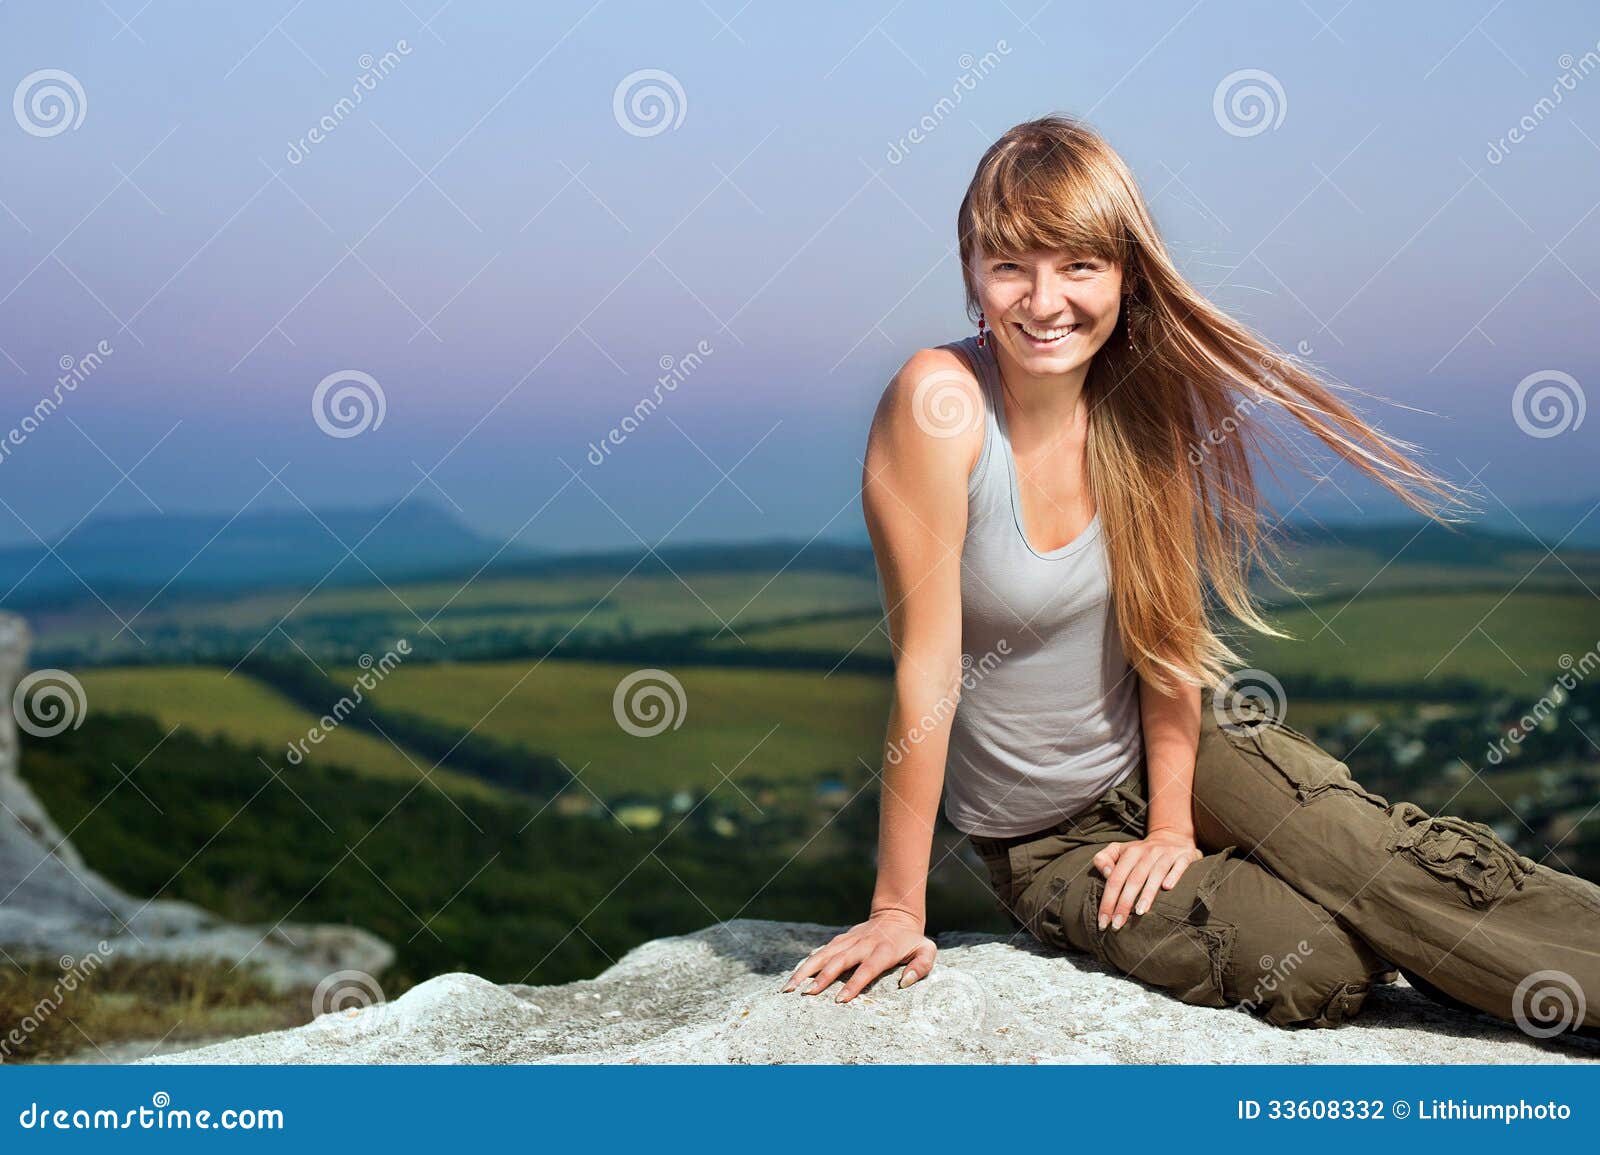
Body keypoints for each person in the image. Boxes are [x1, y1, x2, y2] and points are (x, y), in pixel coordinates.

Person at [781, 114, 1600, 1036]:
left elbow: (1164, 643)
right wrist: (898, 907)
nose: (1043, 300)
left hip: (1186, 753)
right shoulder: (938, 405)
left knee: (1394, 863)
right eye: (1011, 263)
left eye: (1079, 264)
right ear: (972, 271)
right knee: (1317, 966)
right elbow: (928, 666)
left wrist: (1171, 826)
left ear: (1127, 275)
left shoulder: (1143, 410)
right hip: (1048, 839)